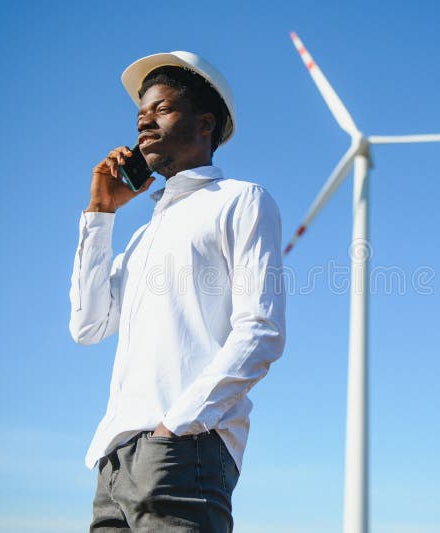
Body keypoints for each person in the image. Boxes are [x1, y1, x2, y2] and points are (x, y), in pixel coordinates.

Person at [68, 51, 287, 532]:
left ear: (205, 122)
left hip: (184, 451)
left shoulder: (240, 200)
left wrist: (178, 425)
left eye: (162, 109)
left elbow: (261, 330)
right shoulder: (142, 235)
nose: (145, 123)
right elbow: (87, 327)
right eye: (140, 115)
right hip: (113, 464)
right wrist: (101, 214)